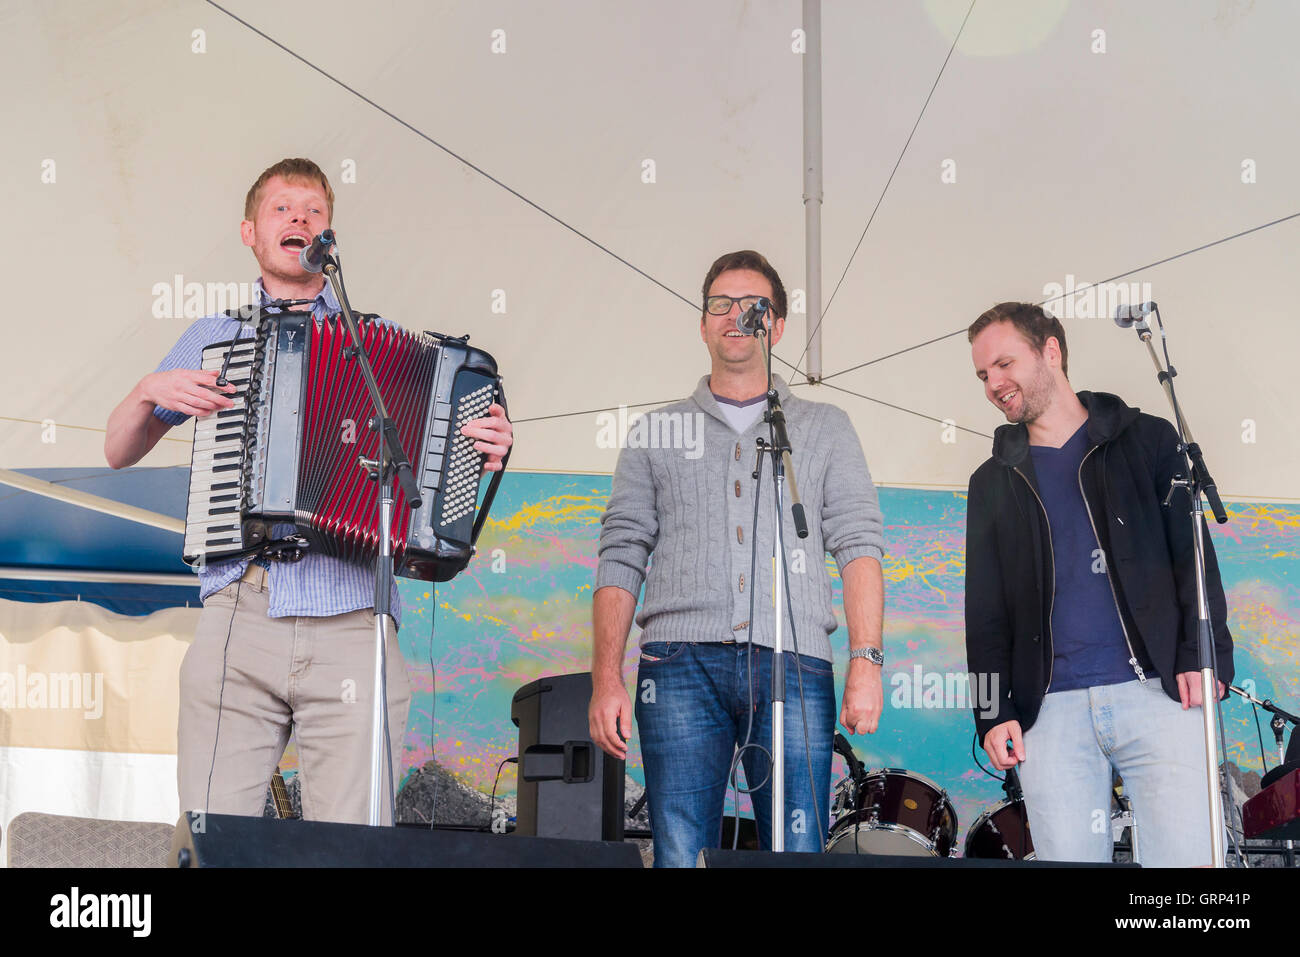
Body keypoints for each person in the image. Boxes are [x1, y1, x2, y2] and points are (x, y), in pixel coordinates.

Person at [105, 158, 513, 825]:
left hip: (355, 616)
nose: (299, 218)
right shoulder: (215, 337)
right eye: (281, 208)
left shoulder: (383, 350)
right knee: (212, 837)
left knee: (351, 849)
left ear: (329, 234)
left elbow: (445, 459)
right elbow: (119, 449)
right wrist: (148, 388)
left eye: (313, 210)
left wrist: (486, 444)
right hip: (242, 609)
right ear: (250, 232)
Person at [588, 250, 886, 867]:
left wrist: (866, 662)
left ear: (776, 327)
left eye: (753, 305)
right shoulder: (655, 432)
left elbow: (857, 545)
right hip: (677, 665)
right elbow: (621, 554)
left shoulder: (826, 427)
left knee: (796, 849)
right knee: (679, 849)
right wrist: (606, 677)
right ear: (701, 324)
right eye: (718, 304)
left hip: (796, 662)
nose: (734, 315)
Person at [964, 302, 1233, 866]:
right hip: (1051, 713)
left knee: (1187, 886)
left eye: (1005, 363)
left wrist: (1202, 657)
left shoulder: (1149, 441)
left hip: (1161, 695)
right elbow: (984, 613)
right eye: (984, 374)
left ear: (1051, 352)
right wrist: (992, 712)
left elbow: (1194, 561)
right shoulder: (992, 481)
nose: (994, 383)